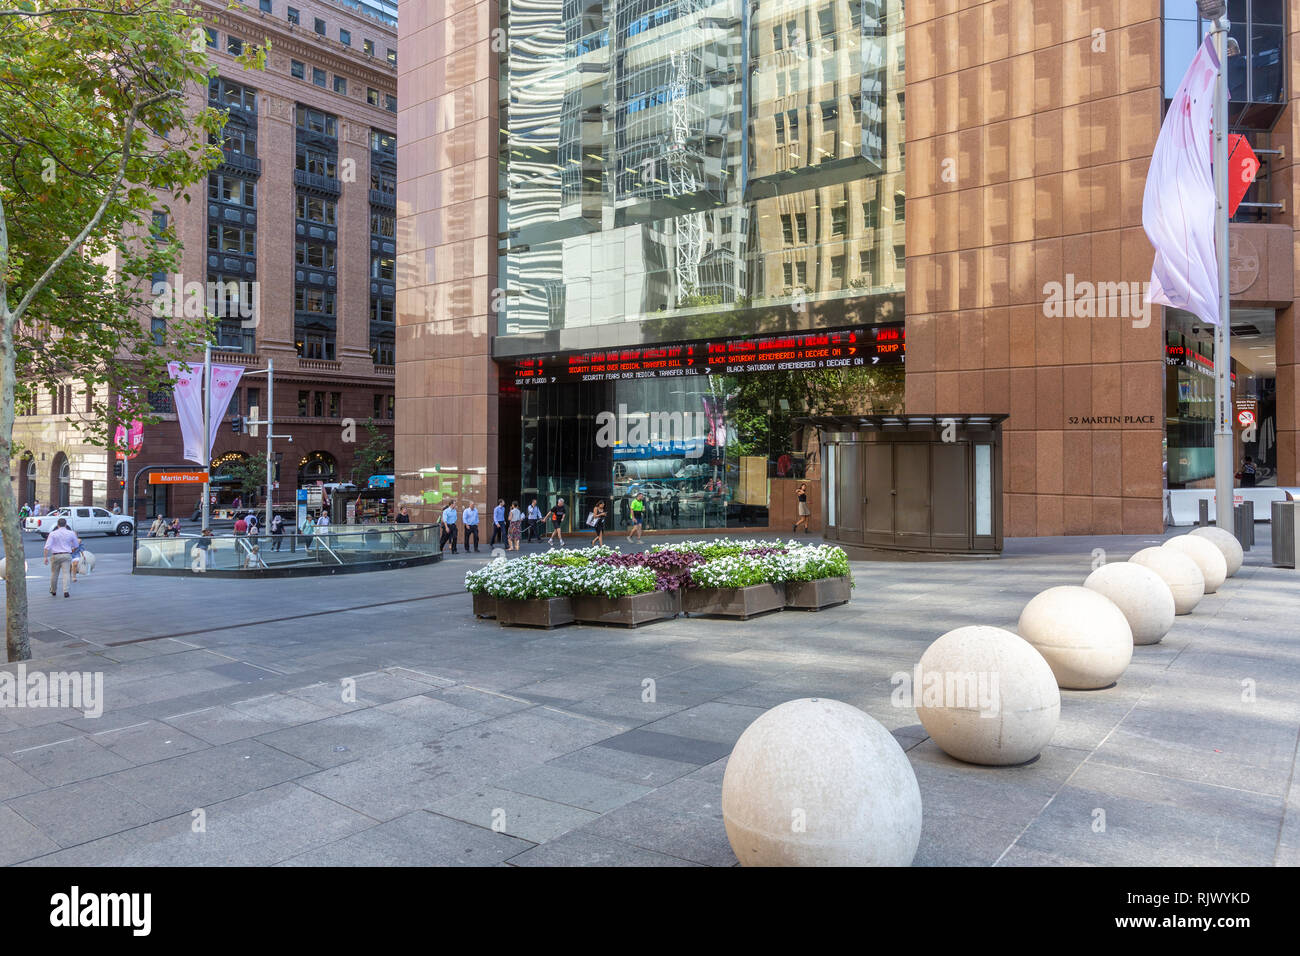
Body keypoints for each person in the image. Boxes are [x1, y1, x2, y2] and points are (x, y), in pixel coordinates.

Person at [43, 517, 79, 598]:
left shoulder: (53, 534)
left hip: (55, 555)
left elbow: (47, 547)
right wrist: (71, 550)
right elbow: (76, 545)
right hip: (67, 554)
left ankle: (53, 590)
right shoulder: (71, 533)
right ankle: (66, 591)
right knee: (66, 573)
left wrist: (45, 557)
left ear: (57, 525)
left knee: (54, 574)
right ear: (66, 524)